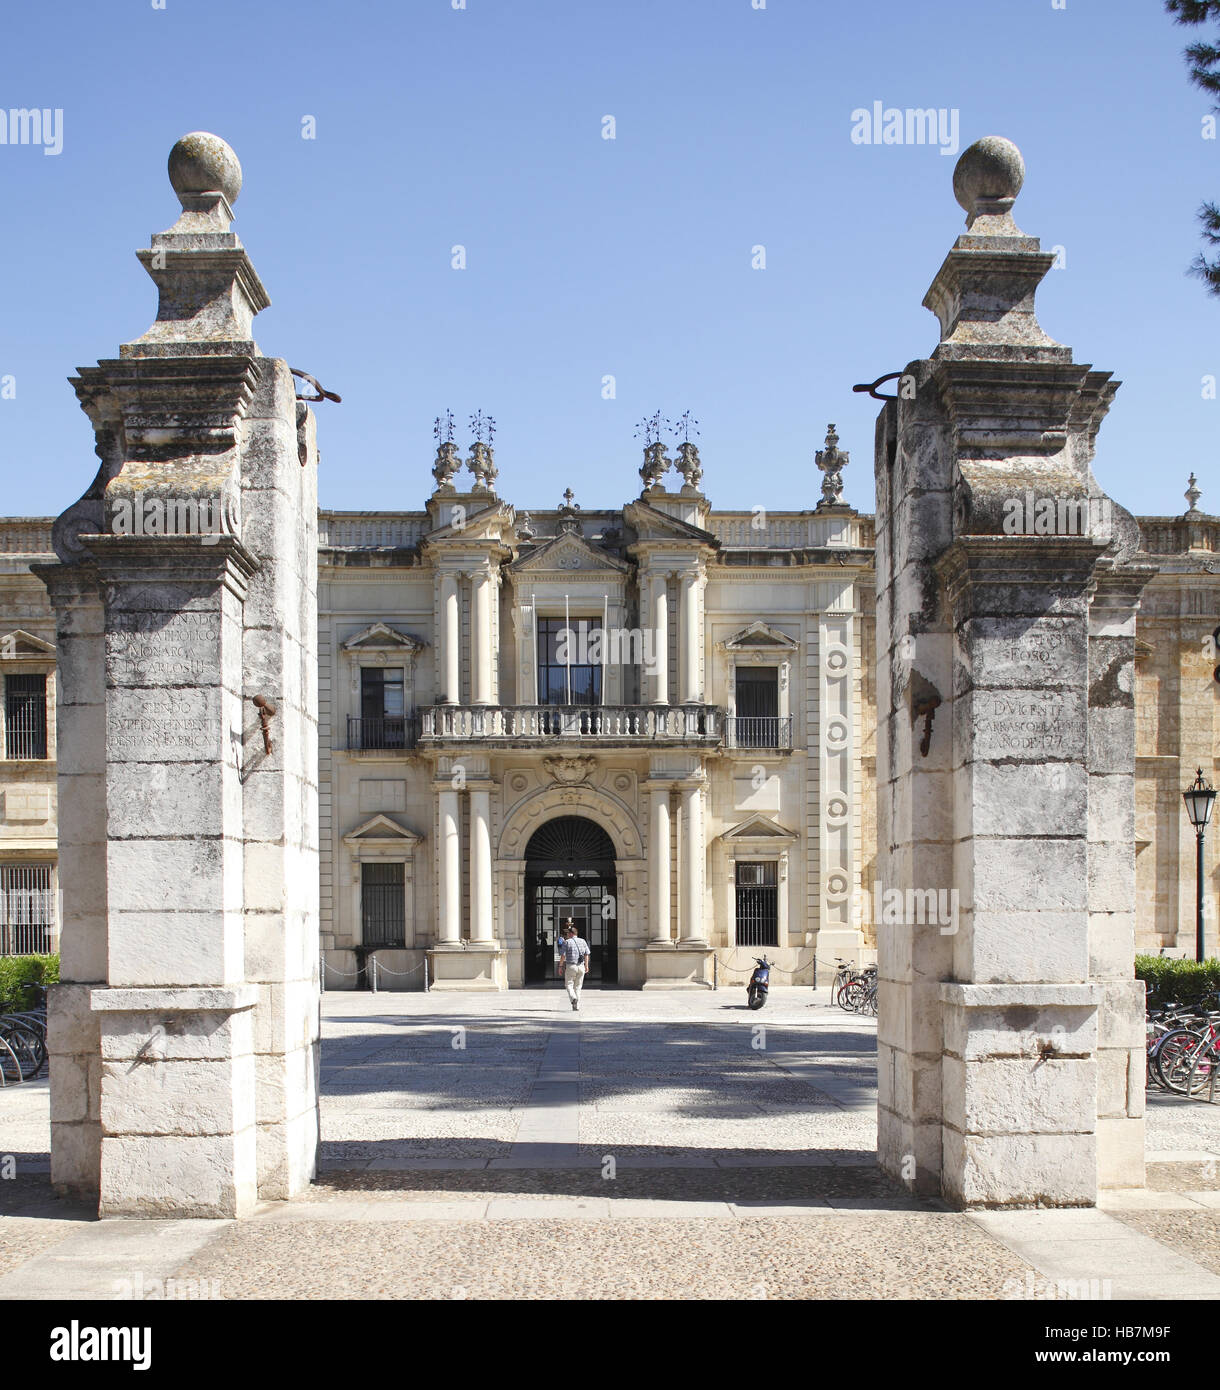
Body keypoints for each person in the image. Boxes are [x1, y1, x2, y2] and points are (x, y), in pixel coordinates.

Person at [557, 919, 591, 1011]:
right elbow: (587, 954)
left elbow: (563, 955)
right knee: (578, 987)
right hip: (581, 966)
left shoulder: (567, 942)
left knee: (568, 985)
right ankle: (576, 1006)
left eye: (568, 933)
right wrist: (586, 966)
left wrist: (560, 966)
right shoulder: (583, 941)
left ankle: (573, 998)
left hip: (571, 966)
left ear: (571, 934)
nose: (567, 935)